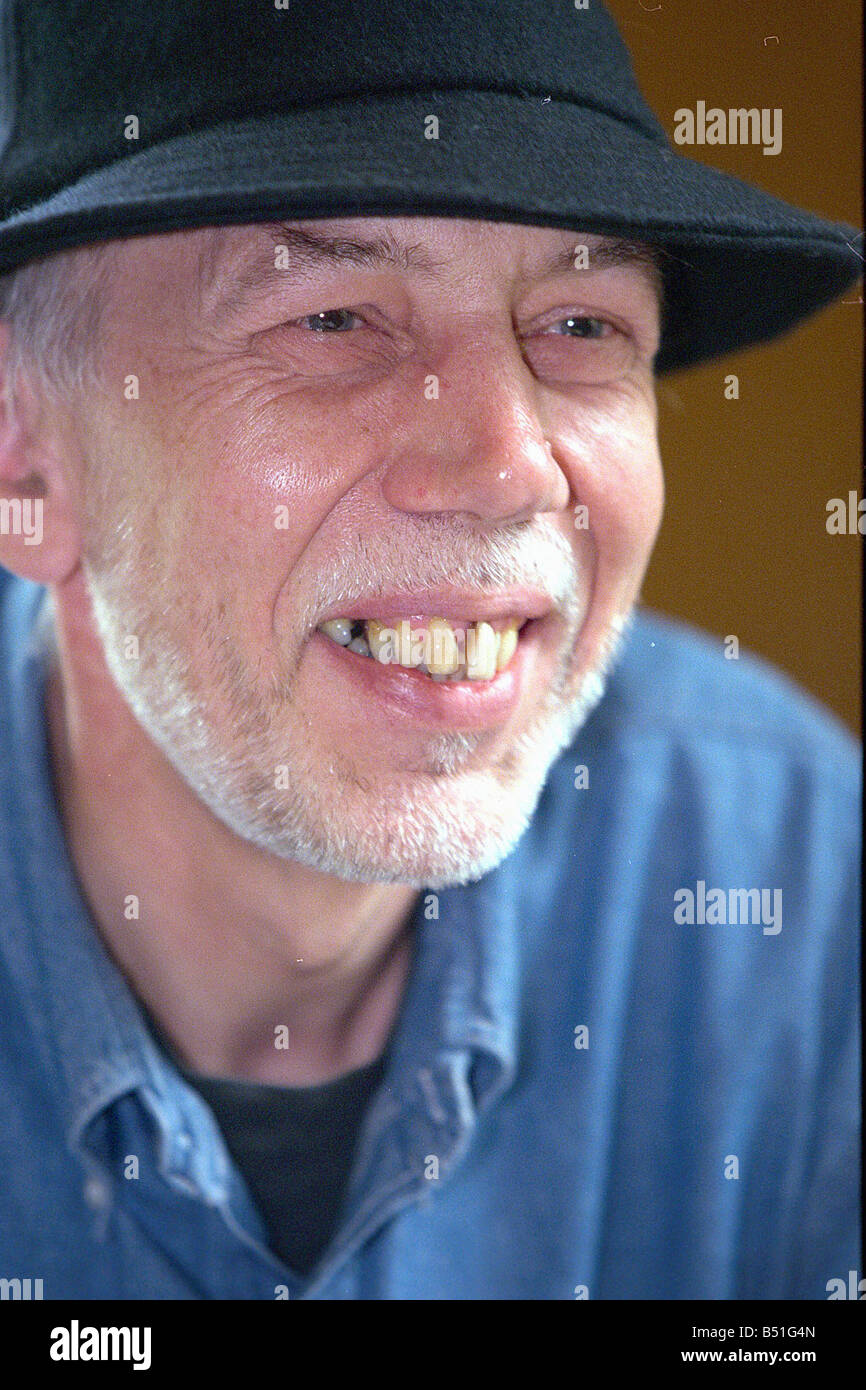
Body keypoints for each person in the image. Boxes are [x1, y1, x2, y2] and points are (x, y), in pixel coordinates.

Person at [0, 0, 859, 1300]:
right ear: (23, 455)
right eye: (336, 320)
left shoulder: (791, 878)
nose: (511, 468)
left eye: (580, 327)